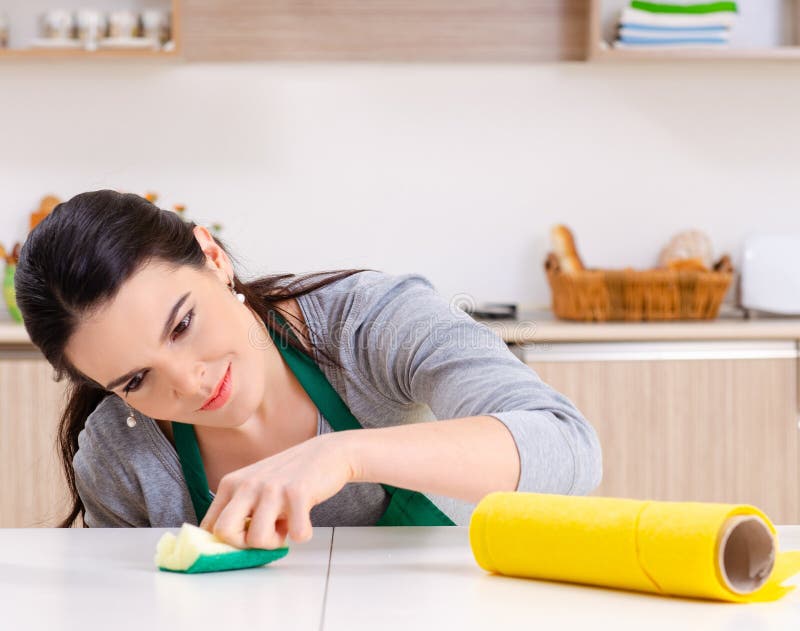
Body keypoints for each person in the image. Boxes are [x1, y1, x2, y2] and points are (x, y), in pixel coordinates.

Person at [14, 189, 602, 550]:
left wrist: (342, 455)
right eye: (135, 380)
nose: (188, 382)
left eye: (183, 325)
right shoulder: (121, 456)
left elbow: (570, 448)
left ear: (213, 258)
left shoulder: (369, 322)